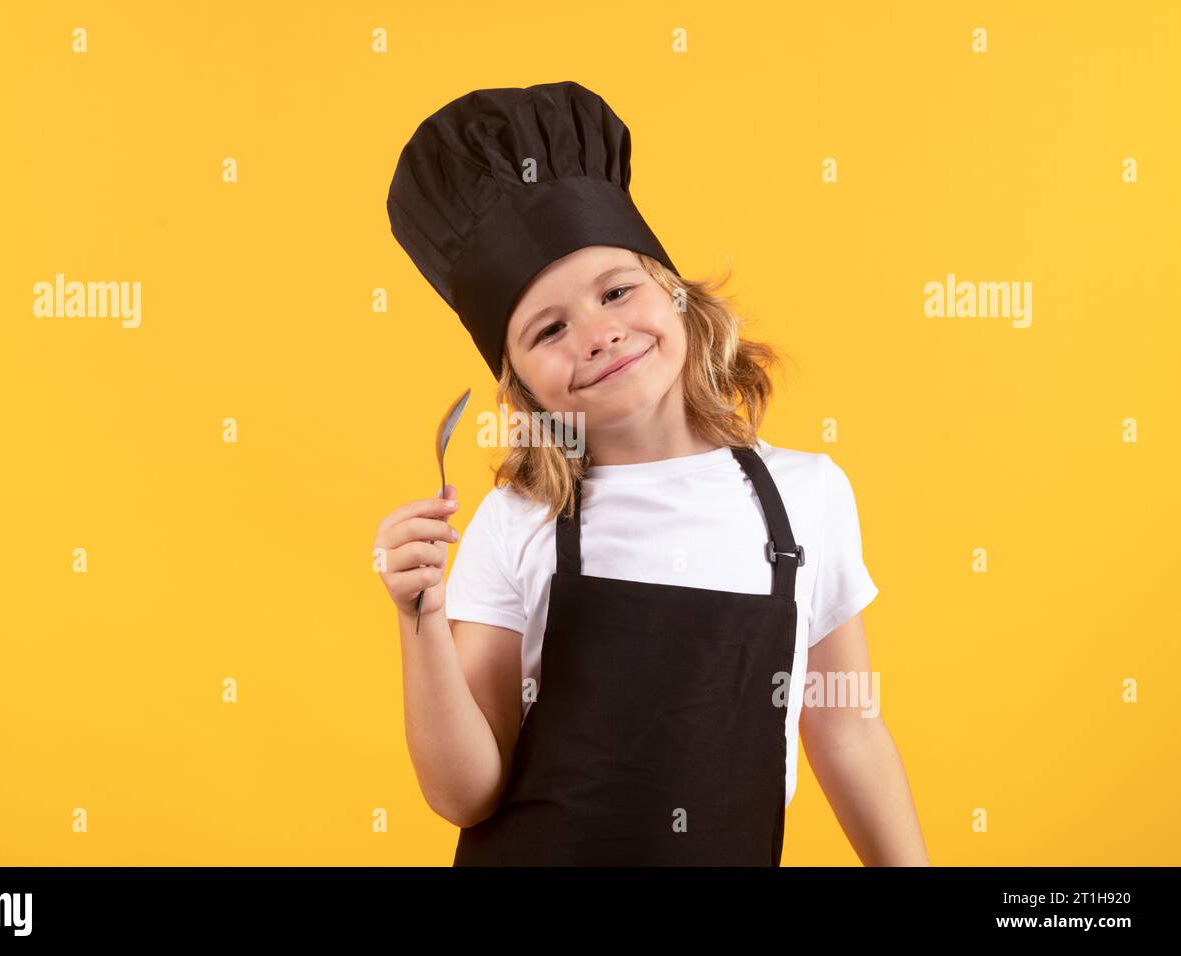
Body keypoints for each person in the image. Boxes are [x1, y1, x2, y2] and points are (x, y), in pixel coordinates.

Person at [376, 81, 928, 865]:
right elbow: (465, 794)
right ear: (521, 383)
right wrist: (419, 617)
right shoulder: (517, 519)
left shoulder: (808, 499)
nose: (598, 334)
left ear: (675, 293)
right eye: (550, 328)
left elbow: (846, 728)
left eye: (616, 291)